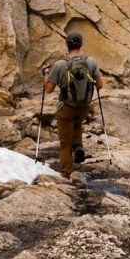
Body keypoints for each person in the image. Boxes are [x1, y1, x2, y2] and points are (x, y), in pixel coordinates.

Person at [41, 31, 103, 177]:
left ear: (66, 45)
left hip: (66, 107)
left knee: (64, 144)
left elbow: (49, 89)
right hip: (84, 107)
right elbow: (100, 85)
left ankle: (66, 174)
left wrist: (46, 73)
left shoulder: (60, 64)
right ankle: (78, 145)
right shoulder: (91, 62)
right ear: (81, 44)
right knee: (77, 123)